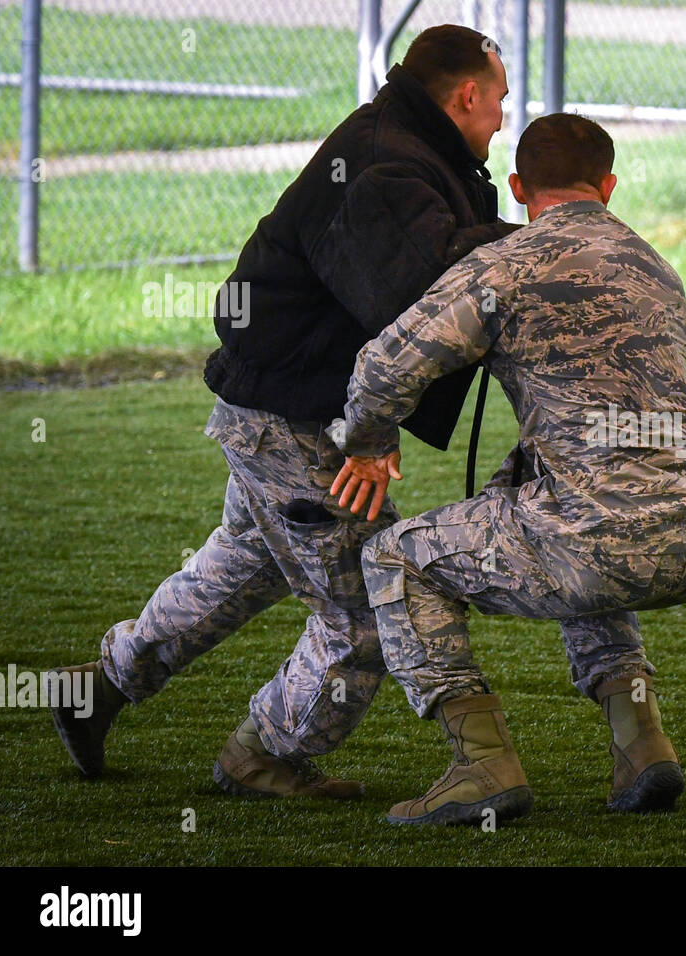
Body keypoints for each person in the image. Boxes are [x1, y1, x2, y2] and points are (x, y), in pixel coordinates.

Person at [51, 24, 517, 799]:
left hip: (278, 401)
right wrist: (540, 247)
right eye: (499, 99)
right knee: (370, 615)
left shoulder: (403, 144)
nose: (503, 117)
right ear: (467, 95)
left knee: (242, 566)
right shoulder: (386, 165)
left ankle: (97, 688)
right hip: (295, 417)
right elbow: (420, 299)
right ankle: (262, 755)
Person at [327, 113, 686, 825]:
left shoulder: (504, 265)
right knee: (578, 524)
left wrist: (366, 441)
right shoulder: (657, 269)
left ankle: (482, 765)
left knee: (394, 557)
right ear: (608, 186)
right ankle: (643, 748)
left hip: (595, 536)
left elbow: (385, 366)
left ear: (516, 188)